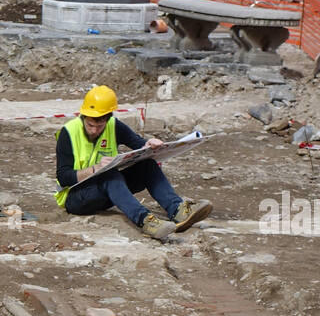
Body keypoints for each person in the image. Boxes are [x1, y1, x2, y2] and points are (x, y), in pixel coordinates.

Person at [54, 85, 212, 241]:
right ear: (83, 115)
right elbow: (63, 177)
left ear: (108, 118)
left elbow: (137, 143)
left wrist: (149, 144)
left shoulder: (113, 125)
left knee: (147, 165)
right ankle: (145, 221)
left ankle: (177, 210)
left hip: (107, 191)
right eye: (90, 125)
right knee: (109, 174)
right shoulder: (68, 132)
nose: (95, 130)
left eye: (99, 126)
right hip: (75, 198)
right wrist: (95, 168)